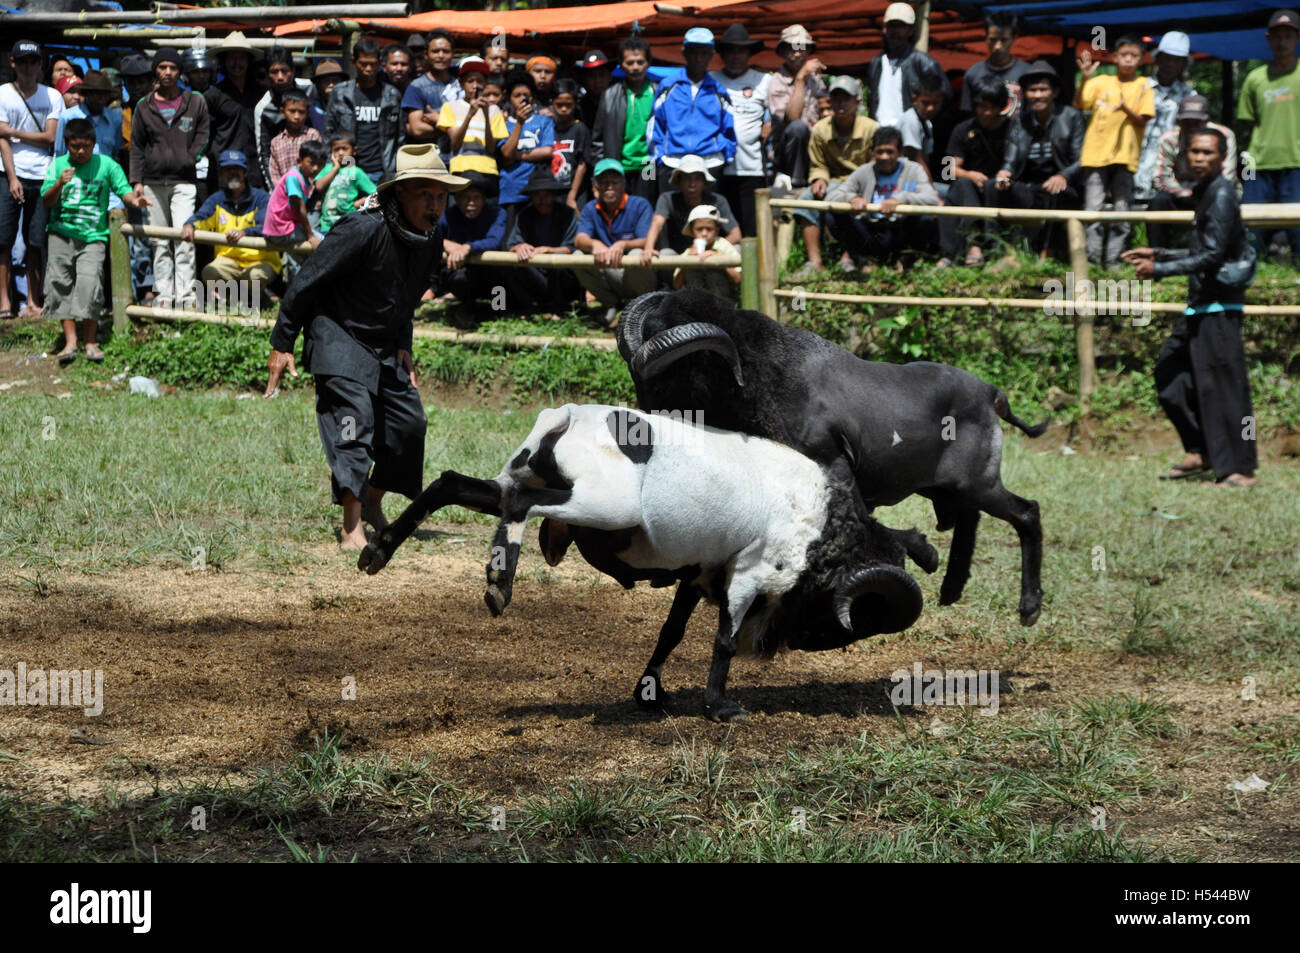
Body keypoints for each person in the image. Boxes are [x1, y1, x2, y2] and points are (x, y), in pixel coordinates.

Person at [266, 143, 468, 550]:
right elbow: (308, 280)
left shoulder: (431, 235)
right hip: (337, 333)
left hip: (383, 341)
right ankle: (351, 527)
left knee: (409, 425)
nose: (435, 205)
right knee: (353, 422)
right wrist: (283, 342)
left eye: (441, 195)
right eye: (424, 194)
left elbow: (407, 294)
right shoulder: (362, 227)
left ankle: (373, 503)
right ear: (398, 194)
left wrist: (404, 343)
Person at [1122, 128, 1258, 488]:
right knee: (1170, 374)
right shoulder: (1207, 193)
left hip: (1218, 304)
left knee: (1225, 387)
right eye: (1194, 152)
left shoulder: (1222, 196)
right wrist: (1159, 253)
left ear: (1222, 158)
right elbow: (1208, 250)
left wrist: (1159, 269)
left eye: (1207, 153)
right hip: (1201, 303)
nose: (1198, 158)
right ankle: (1200, 451)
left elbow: (1213, 256)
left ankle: (1239, 469)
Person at [42, 117, 148, 363]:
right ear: (66, 144)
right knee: (60, 285)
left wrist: (135, 200)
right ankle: (71, 342)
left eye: (86, 146)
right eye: (75, 146)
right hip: (61, 233)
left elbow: (124, 190)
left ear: (94, 143)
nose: (80, 152)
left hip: (93, 236)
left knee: (90, 284)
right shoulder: (57, 165)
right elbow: (47, 200)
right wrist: (59, 183)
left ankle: (90, 341)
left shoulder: (107, 165)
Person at [129, 47, 210, 309]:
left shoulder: (195, 101)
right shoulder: (144, 106)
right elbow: (137, 147)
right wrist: (137, 182)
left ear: (179, 71)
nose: (167, 72)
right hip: (152, 183)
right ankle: (164, 294)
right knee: (159, 240)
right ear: (156, 70)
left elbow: (203, 134)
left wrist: (190, 157)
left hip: (184, 181)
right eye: (162, 67)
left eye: (172, 67)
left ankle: (186, 295)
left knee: (184, 238)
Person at [989, 60, 1084, 264]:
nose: (1038, 95)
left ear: (1055, 92)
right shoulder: (1019, 120)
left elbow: (1082, 159)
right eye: (1032, 90)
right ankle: (1003, 252)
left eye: (1043, 89)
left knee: (1061, 193)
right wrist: (1004, 173)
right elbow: (1010, 160)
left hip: (1060, 185)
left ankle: (1048, 254)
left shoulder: (1071, 117)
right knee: (994, 187)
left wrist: (1063, 176)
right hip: (1029, 185)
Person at [1075, 34, 1155, 267]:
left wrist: (1124, 108)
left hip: (1125, 157)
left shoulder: (1143, 85)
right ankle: (1090, 260)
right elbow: (1079, 104)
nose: (1128, 60)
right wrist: (1084, 79)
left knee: (1122, 211)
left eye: (1134, 56)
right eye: (1124, 55)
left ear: (1141, 60)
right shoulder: (1100, 82)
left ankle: (1114, 262)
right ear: (1115, 57)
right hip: (1095, 155)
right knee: (1093, 210)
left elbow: (1143, 120)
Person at [790, 76, 878, 279]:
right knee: (806, 201)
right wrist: (819, 178)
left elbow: (876, 166)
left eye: (846, 98)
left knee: (853, 204)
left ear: (857, 101)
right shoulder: (821, 129)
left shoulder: (871, 128)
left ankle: (853, 256)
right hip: (833, 182)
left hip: (863, 182)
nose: (841, 104)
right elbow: (818, 163)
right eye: (836, 98)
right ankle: (815, 261)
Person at [0, 39, 63, 318]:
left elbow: (50, 137)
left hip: (43, 174)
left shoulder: (52, 96)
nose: (28, 67)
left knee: (36, 241)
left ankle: (34, 302)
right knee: (3, 240)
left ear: (41, 65)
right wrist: (12, 177)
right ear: (13, 63)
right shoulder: (3, 93)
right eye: (22, 61)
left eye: (33, 61)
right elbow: (1, 141)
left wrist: (12, 132)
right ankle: (5, 302)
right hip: (8, 172)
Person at [827, 125, 940, 271]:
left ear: (900, 152)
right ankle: (866, 259)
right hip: (871, 229)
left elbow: (931, 198)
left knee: (925, 219)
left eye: (890, 152)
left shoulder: (914, 169)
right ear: (872, 151)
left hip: (900, 228)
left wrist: (900, 199)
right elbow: (832, 196)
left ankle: (905, 260)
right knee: (833, 215)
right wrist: (852, 198)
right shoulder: (864, 171)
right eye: (879, 152)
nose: (884, 157)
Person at [1237, 9, 1300, 261]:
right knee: (1251, 224)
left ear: (1296, 38)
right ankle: (1247, 274)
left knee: (1297, 226)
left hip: (1296, 162)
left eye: (1287, 36)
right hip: (1255, 163)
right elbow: (1249, 121)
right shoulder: (1254, 78)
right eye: (1276, 36)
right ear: (1267, 39)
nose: (1282, 41)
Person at [180, 149, 279, 298]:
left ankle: (255, 296)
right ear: (221, 174)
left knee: (252, 278)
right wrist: (190, 225)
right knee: (209, 272)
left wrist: (245, 233)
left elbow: (265, 227)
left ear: (245, 173)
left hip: (259, 260)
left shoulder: (261, 198)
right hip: (228, 260)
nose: (233, 173)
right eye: (228, 170)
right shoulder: (217, 199)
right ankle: (237, 296)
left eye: (237, 169)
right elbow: (202, 217)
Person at [650, 28, 736, 194]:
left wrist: (726, 156)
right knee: (672, 215)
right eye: (693, 52)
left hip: (710, 164)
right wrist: (658, 158)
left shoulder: (718, 91)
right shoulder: (668, 86)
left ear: (711, 55)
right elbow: (655, 124)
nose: (698, 58)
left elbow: (729, 128)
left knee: (707, 217)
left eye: (704, 53)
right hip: (674, 163)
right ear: (684, 53)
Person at [939, 75, 1011, 267]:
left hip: (999, 190)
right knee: (963, 185)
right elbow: (949, 170)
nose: (986, 112)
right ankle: (971, 247)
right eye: (981, 106)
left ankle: (982, 247)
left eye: (992, 107)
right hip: (965, 191)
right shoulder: (961, 130)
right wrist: (969, 174)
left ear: (1001, 106)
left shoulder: (1013, 130)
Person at [574, 158, 655, 326]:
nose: (609, 186)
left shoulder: (640, 204)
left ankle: (642, 305)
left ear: (623, 184)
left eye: (614, 181)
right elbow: (579, 239)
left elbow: (647, 240)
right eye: (604, 182)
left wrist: (623, 244)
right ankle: (609, 303)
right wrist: (595, 244)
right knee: (577, 255)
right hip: (609, 271)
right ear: (596, 187)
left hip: (634, 273)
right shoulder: (590, 208)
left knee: (637, 253)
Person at [1149, 94, 1238, 247]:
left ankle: (1221, 250)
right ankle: (1157, 253)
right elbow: (1160, 178)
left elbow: (1227, 175)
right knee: (1159, 201)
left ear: (1207, 121)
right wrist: (1184, 192)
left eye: (1197, 123)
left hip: (1215, 192)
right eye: (1186, 122)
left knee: (1222, 197)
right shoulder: (1169, 140)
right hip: (1180, 192)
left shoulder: (1224, 136)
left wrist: (1201, 191)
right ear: (1178, 121)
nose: (1191, 127)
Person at [710, 23, 769, 235]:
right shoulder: (711, 80)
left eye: (740, 50)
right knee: (721, 227)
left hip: (750, 167)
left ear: (749, 53)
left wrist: (770, 122)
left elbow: (780, 112)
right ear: (722, 54)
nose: (735, 56)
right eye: (730, 51)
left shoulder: (763, 80)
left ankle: (756, 268)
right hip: (716, 166)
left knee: (751, 229)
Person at [326, 37, 405, 185]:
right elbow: (329, 133)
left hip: (382, 170)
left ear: (379, 64)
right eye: (363, 64)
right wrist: (331, 168)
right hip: (349, 168)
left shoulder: (391, 95)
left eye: (373, 64)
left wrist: (394, 169)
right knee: (349, 206)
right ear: (354, 61)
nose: (368, 69)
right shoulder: (340, 93)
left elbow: (399, 138)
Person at [590, 36, 659, 202]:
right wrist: (604, 168)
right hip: (618, 166)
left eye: (640, 62)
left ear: (648, 63)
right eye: (629, 62)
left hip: (647, 165)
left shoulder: (658, 92)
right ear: (621, 65)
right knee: (620, 211)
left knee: (645, 207)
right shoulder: (610, 95)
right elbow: (597, 139)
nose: (635, 67)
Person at [506, 164, 580, 311]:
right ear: (531, 197)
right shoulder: (524, 215)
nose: (542, 200)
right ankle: (527, 307)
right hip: (536, 273)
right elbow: (511, 244)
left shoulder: (568, 214)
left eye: (546, 194)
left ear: (553, 194)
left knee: (561, 264)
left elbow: (571, 248)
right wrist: (519, 247)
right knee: (509, 265)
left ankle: (560, 308)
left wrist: (548, 250)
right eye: (537, 195)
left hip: (562, 277)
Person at [640, 154, 740, 260]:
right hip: (678, 257)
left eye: (697, 179)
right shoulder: (667, 199)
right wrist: (648, 249)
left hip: (712, 254)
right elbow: (657, 223)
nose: (692, 184)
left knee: (737, 248)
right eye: (687, 178)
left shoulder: (718, 201)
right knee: (665, 253)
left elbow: (736, 234)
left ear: (704, 181)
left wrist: (713, 249)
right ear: (679, 180)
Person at [866, 3, 948, 129]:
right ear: (884, 29)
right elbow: (871, 101)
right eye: (892, 26)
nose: (895, 31)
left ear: (911, 31)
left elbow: (944, 96)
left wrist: (922, 122)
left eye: (901, 26)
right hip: (882, 134)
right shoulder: (876, 63)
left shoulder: (923, 62)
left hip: (911, 133)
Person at [1134, 31, 1193, 204]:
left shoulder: (1189, 95)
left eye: (1177, 60)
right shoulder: (1139, 87)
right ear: (1158, 59)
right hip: (1135, 163)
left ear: (1183, 65)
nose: (1170, 64)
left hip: (1169, 169)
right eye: (1167, 58)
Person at [439, 168, 509, 311]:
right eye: (466, 198)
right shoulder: (448, 215)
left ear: (484, 198)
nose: (471, 203)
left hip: (492, 271)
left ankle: (500, 310)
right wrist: (445, 243)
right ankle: (467, 308)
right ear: (457, 199)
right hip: (462, 271)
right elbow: (430, 235)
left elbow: (494, 240)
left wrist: (467, 247)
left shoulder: (497, 213)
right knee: (457, 278)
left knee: (503, 278)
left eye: (476, 198)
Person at [766, 24, 825, 189]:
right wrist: (800, 79)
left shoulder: (815, 79)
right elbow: (793, 118)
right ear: (784, 51)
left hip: (814, 149)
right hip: (787, 156)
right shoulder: (776, 81)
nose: (798, 53)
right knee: (798, 128)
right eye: (792, 48)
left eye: (803, 48)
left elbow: (825, 108)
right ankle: (797, 183)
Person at [497, 70, 554, 233]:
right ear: (508, 98)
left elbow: (548, 150)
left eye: (526, 95)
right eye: (517, 95)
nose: (522, 99)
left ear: (533, 97)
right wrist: (519, 123)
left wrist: (516, 155)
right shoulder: (504, 124)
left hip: (537, 191)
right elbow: (506, 153)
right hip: (511, 190)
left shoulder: (544, 121)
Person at [254, 46, 315, 193]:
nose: (280, 77)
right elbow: (264, 154)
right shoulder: (263, 108)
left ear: (293, 71)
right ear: (268, 75)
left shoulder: (310, 89)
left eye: (285, 71)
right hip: (283, 179)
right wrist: (275, 191)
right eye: (274, 72)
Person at [436, 57, 507, 176]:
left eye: (480, 81)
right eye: (470, 81)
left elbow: (490, 148)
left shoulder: (494, 110)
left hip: (487, 170)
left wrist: (485, 114)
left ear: (485, 83)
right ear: (461, 83)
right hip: (460, 169)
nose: (475, 86)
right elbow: (455, 143)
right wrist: (470, 114)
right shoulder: (450, 107)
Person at [211, 32, 265, 189]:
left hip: (255, 167)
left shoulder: (261, 93)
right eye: (232, 58)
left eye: (241, 58)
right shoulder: (214, 95)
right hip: (225, 166)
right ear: (224, 61)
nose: (237, 63)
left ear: (249, 61)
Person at [959, 11, 1030, 119]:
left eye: (1004, 40)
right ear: (986, 38)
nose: (998, 46)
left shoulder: (1027, 73)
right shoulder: (973, 74)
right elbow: (968, 115)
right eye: (993, 40)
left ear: (1014, 38)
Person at [264, 139, 326, 249]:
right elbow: (300, 209)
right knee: (322, 243)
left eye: (320, 164)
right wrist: (310, 236)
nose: (316, 168)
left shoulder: (303, 179)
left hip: (288, 228)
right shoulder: (293, 178)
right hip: (280, 231)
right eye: (311, 163)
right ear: (299, 161)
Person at [403, 29, 460, 147]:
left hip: (461, 159)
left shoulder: (461, 84)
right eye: (435, 51)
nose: (440, 56)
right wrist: (456, 128)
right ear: (426, 55)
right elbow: (417, 129)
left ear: (453, 54)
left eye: (445, 51)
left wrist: (438, 120)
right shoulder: (416, 87)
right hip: (432, 158)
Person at [314, 133, 377, 236]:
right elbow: (319, 186)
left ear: (354, 151)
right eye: (336, 149)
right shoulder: (328, 169)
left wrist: (359, 203)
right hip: (327, 225)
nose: (340, 153)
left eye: (344, 149)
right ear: (331, 152)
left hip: (348, 224)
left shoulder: (355, 172)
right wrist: (335, 168)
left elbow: (375, 192)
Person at [672, 203, 740, 297]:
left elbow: (738, 279)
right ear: (692, 231)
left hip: (722, 299)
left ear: (717, 230)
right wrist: (688, 261)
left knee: (713, 273)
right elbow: (677, 285)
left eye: (709, 229)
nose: (704, 233)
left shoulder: (724, 246)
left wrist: (719, 259)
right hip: (696, 300)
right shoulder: (689, 252)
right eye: (699, 229)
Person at [54, 70, 121, 158]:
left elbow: (115, 152)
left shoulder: (115, 119)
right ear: (87, 93)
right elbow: (59, 153)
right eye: (97, 93)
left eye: (105, 93)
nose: (102, 98)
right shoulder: (67, 117)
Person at [548, 78, 589, 210]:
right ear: (552, 103)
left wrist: (572, 194)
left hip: (575, 191)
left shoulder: (580, 129)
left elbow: (582, 164)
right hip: (553, 190)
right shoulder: (549, 128)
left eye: (568, 105)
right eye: (559, 105)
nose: (564, 109)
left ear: (576, 104)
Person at [268, 89, 322, 185]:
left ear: (307, 113)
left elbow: (319, 167)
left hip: (310, 194)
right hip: (284, 195)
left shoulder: (313, 136)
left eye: (301, 112)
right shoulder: (276, 142)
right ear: (282, 111)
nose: (297, 116)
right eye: (292, 111)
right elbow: (274, 173)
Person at [898, 71, 945, 180]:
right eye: (925, 103)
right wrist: (931, 192)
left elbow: (926, 159)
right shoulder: (910, 121)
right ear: (914, 100)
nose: (930, 108)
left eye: (935, 103)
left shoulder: (927, 124)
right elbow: (917, 160)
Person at [577, 49, 613, 129]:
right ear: (585, 80)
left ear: (610, 77)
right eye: (591, 76)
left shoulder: (621, 103)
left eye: (602, 75)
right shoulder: (578, 109)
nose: (597, 81)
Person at [308, 59, 344, 135]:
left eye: (335, 81)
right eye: (326, 81)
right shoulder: (310, 112)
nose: (331, 85)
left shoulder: (349, 109)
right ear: (318, 85)